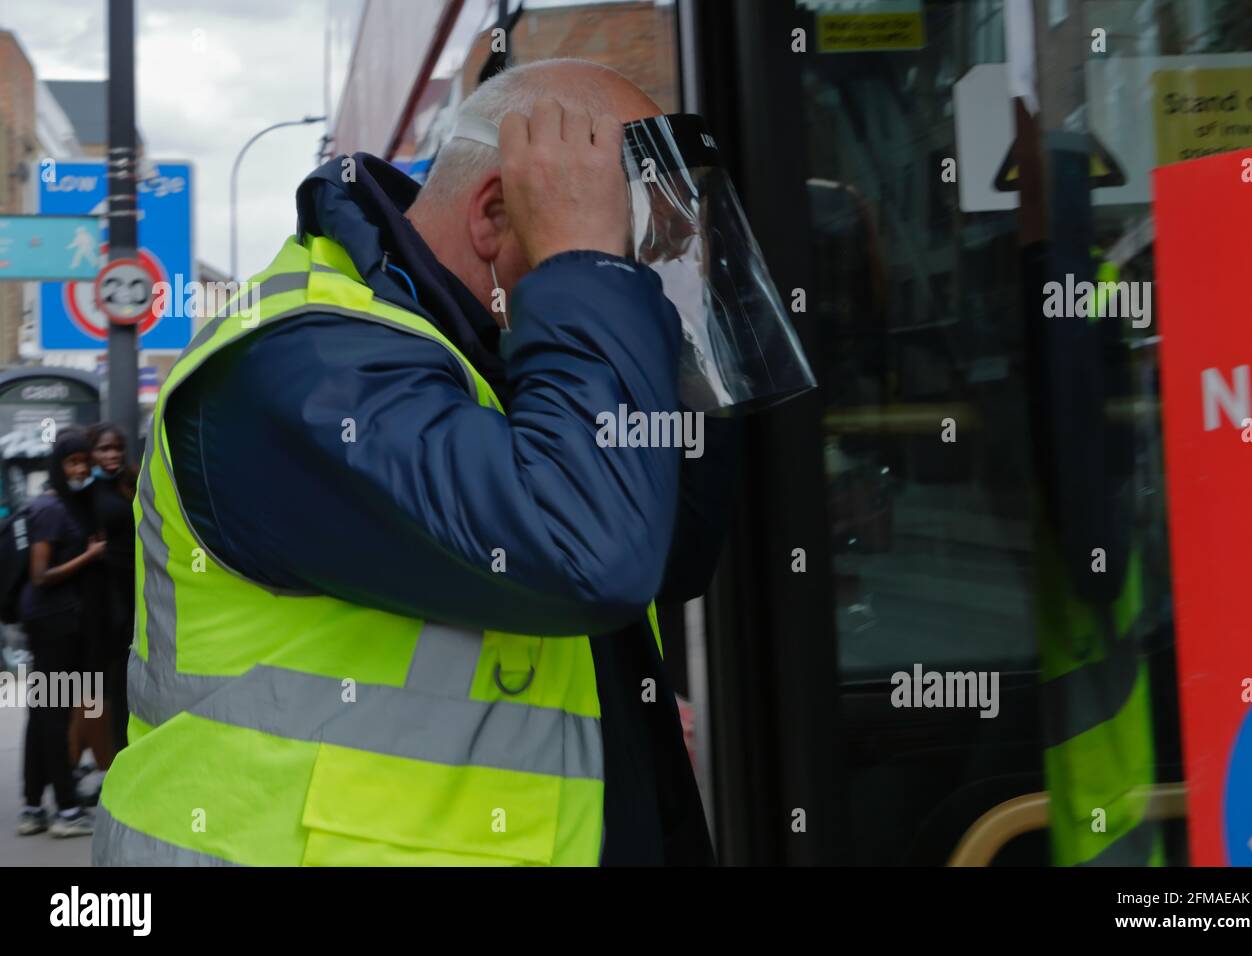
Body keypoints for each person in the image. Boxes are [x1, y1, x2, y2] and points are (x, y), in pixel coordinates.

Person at [94, 58, 739, 867]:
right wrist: (584, 273)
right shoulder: (302, 369)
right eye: (632, 259)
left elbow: (673, 546)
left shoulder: (507, 354)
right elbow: (584, 554)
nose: (641, 298)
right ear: (496, 212)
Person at [17, 428, 104, 838]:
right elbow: (41, 574)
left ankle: (33, 808)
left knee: (41, 716)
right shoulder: (51, 509)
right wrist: (89, 556)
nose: (80, 469)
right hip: (52, 625)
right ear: (58, 464)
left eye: (84, 461)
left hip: (58, 624)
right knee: (53, 716)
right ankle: (66, 812)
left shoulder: (67, 504)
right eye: (73, 462)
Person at [86, 422, 137, 756]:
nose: (112, 454)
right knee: (102, 687)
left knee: (123, 684)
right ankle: (106, 755)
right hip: (105, 599)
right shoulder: (87, 494)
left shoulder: (129, 481)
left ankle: (120, 751)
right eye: (104, 448)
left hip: (134, 592)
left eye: (117, 447)